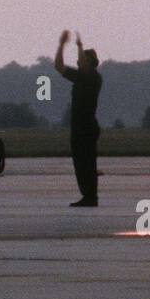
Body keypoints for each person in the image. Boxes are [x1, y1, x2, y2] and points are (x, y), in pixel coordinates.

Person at [55, 30, 103, 207]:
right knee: (80, 163)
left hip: (87, 126)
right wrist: (61, 45)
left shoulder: (93, 77)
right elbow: (59, 66)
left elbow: (83, 64)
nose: (78, 62)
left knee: (87, 163)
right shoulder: (80, 77)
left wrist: (79, 45)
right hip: (78, 126)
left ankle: (91, 196)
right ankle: (87, 195)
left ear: (91, 63)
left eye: (82, 60)